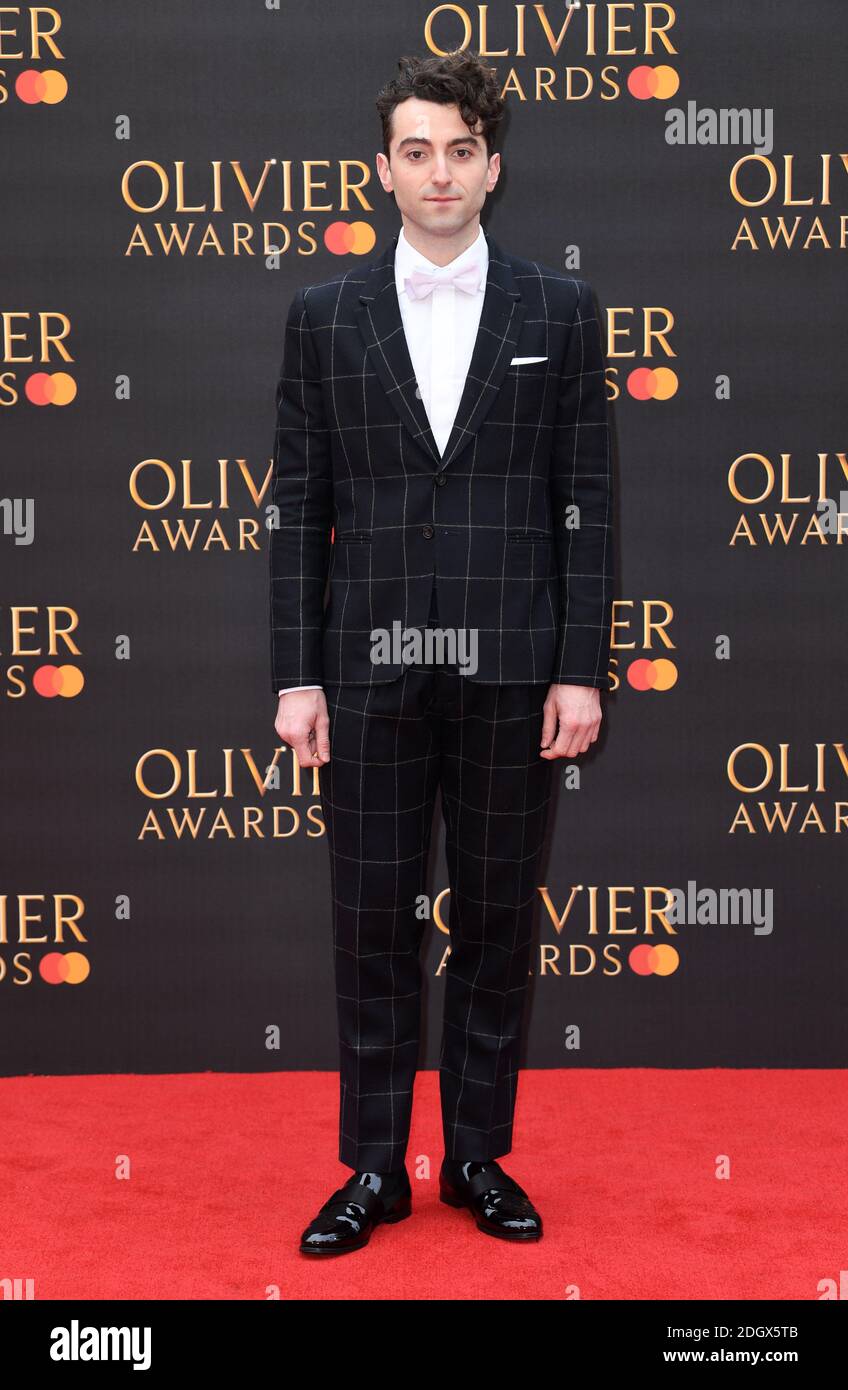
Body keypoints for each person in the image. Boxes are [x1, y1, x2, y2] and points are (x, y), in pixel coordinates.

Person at [268, 49, 614, 1255]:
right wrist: (294, 674)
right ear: (383, 170)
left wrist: (580, 666)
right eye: (415, 149)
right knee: (369, 918)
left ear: (492, 166)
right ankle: (372, 1167)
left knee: (498, 917)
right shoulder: (322, 317)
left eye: (459, 149)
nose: (438, 171)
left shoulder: (558, 312)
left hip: (513, 663)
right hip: (365, 666)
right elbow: (291, 507)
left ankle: (473, 1154)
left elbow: (588, 499)